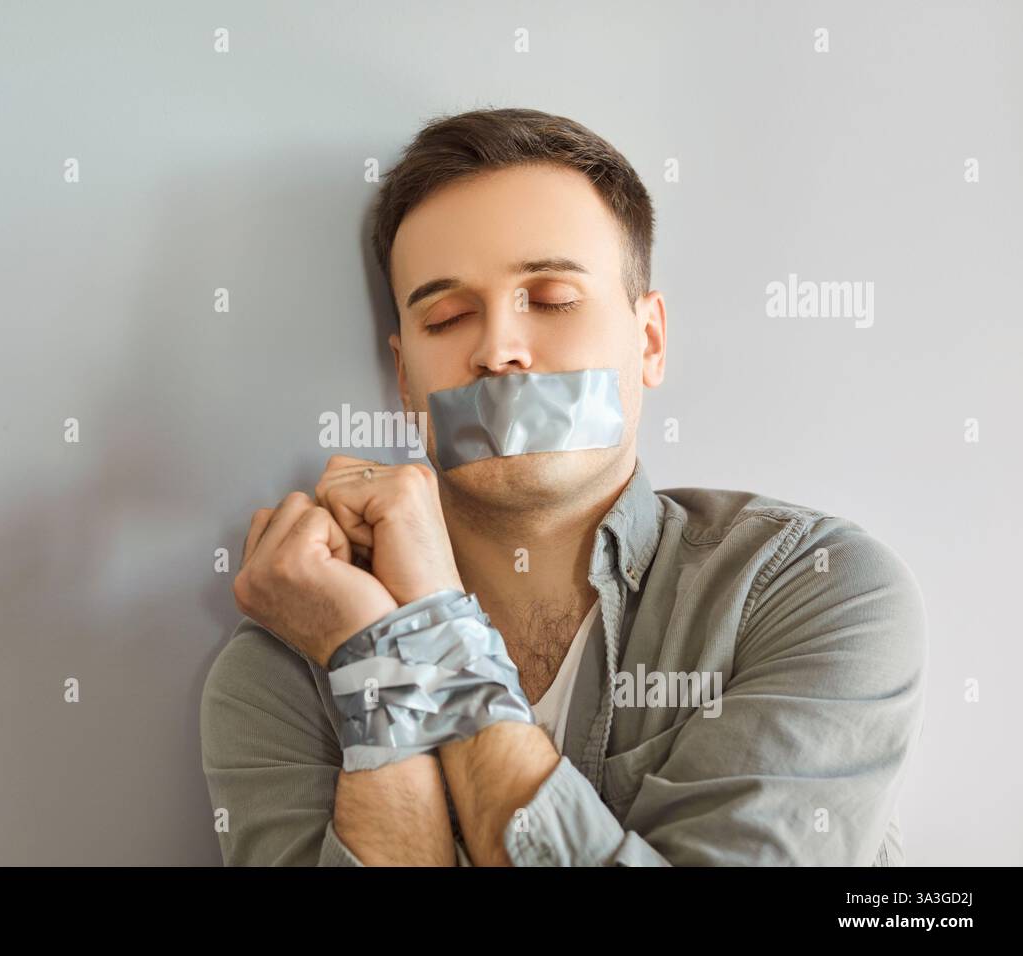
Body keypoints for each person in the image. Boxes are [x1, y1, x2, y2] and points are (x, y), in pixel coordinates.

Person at [199, 107, 926, 866]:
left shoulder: (816, 591)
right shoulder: (290, 662)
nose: (499, 350)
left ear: (648, 341)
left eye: (550, 300)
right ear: (406, 378)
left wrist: (429, 634)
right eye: (447, 317)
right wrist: (374, 663)